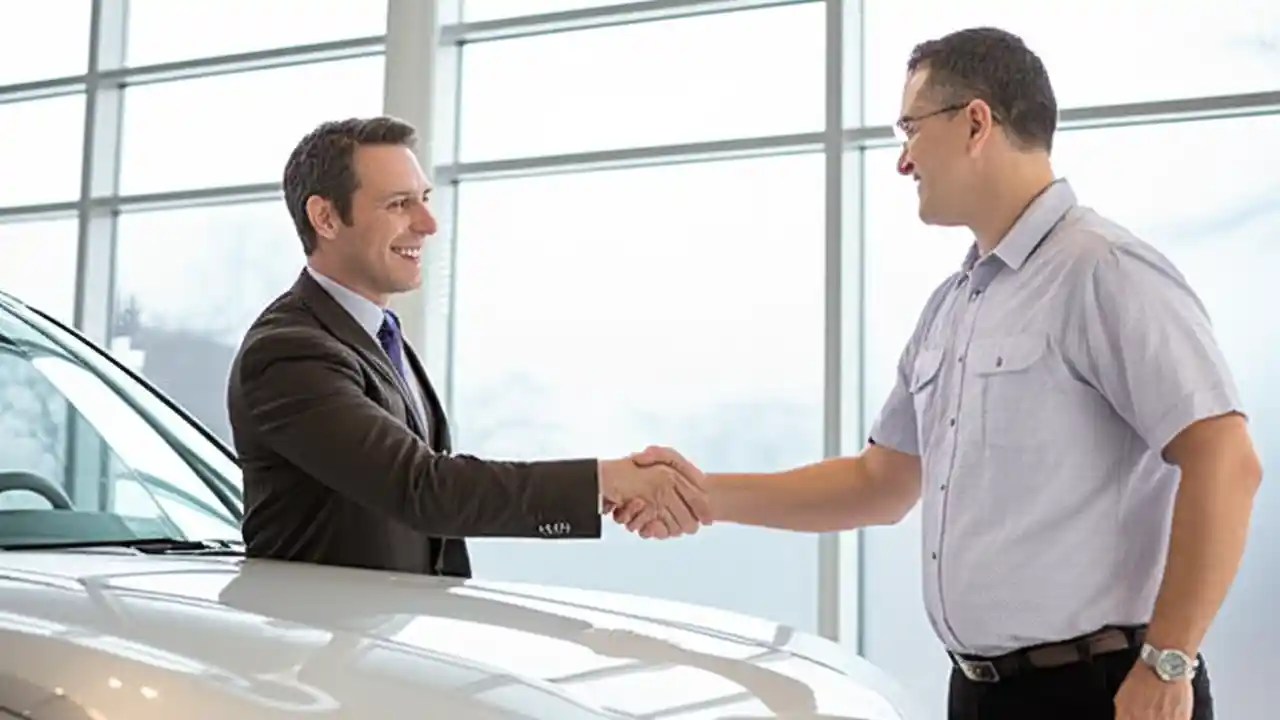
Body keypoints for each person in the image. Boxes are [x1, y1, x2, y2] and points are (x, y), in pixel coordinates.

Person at [621, 27, 1262, 720]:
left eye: (911, 128)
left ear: (975, 123)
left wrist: (1169, 661)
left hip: (1104, 692)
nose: (902, 161)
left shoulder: (1103, 271)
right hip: (981, 693)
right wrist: (700, 496)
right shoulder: (954, 306)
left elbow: (1226, 461)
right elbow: (880, 484)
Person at [226, 116, 709, 580]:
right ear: (326, 217)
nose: (428, 223)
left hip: (382, 641)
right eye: (398, 204)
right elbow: (423, 488)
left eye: (425, 199)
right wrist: (604, 481)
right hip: (318, 651)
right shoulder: (289, 352)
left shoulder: (372, 334)